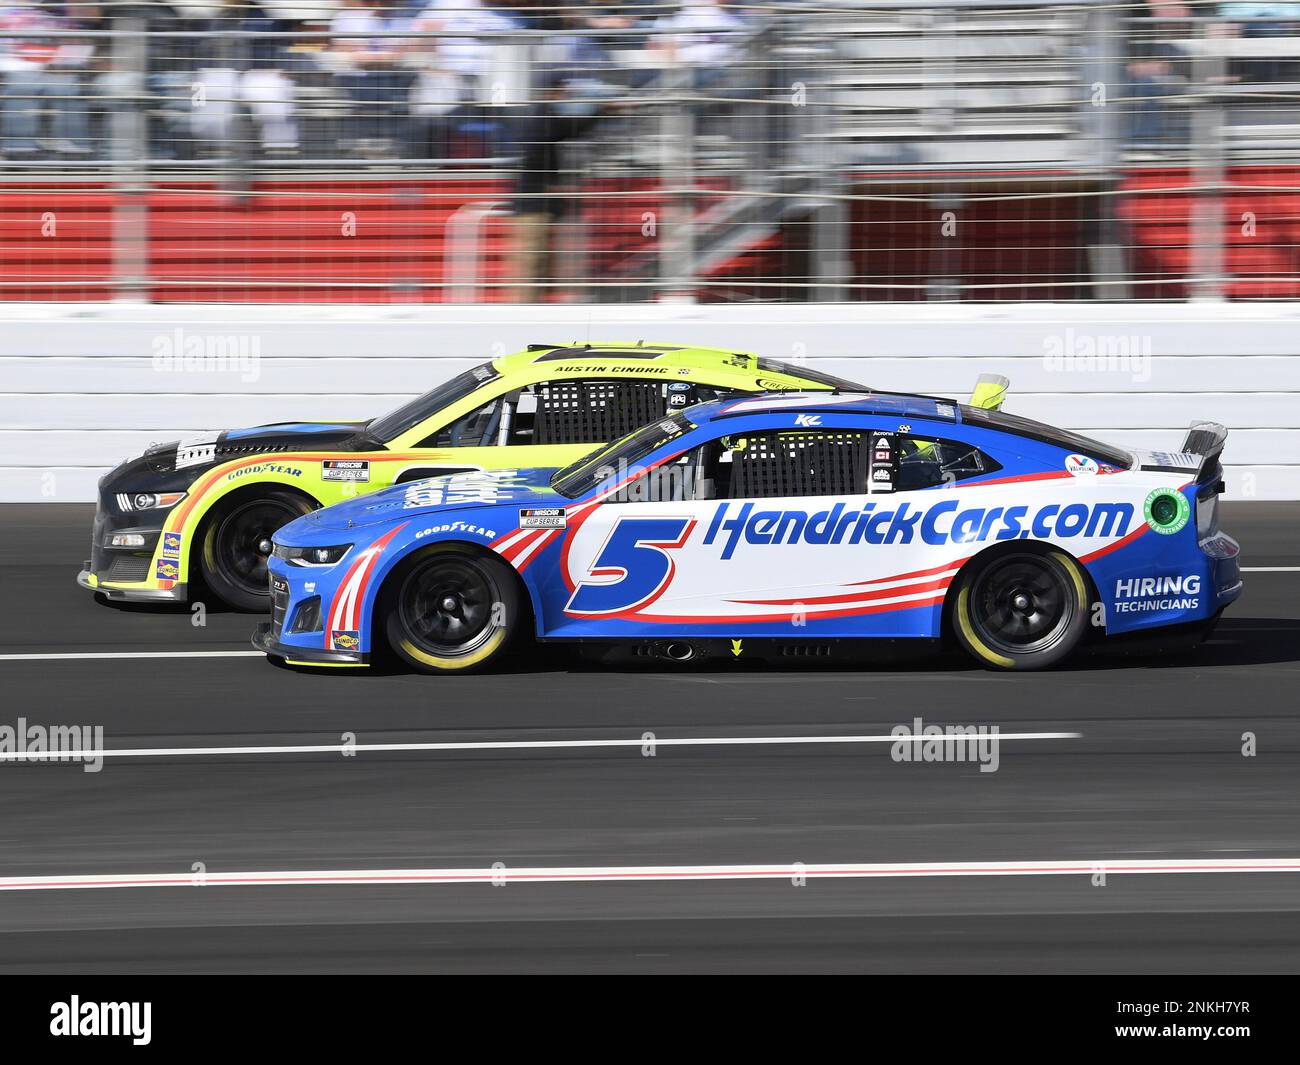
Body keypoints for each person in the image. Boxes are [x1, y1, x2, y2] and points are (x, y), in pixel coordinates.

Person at [191, 0, 300, 154]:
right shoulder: (216, 18)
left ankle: (281, 147)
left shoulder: (262, 17)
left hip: (256, 72)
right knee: (201, 91)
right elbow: (203, 51)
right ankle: (211, 146)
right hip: (221, 73)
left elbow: (273, 49)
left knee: (275, 90)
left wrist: (276, 67)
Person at [0, 0, 94, 156]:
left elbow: (81, 42)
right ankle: (19, 146)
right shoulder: (8, 10)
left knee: (67, 86)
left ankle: (74, 144)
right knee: (23, 86)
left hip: (59, 68)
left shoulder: (64, 13)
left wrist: (65, 63)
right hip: (18, 67)